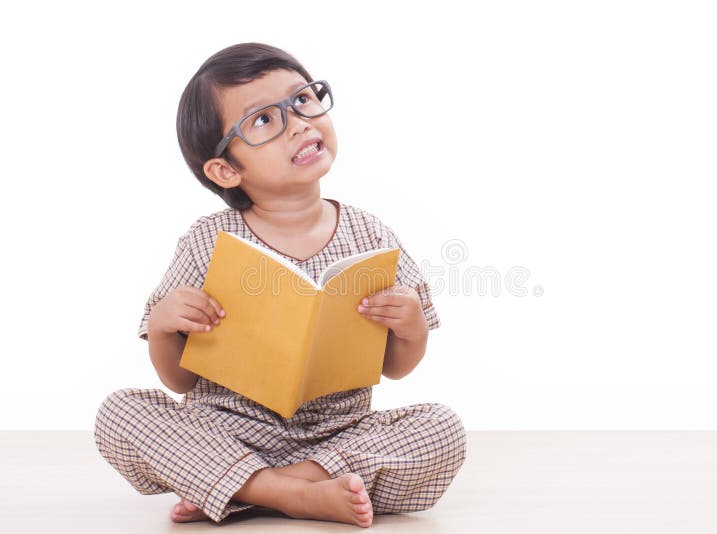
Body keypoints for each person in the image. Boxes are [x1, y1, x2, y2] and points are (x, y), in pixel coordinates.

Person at [93, 42, 467, 528]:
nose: (299, 122)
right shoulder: (209, 240)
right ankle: (294, 493)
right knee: (120, 414)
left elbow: (396, 368)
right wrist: (165, 327)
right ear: (226, 170)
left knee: (441, 429)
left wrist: (412, 329)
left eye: (302, 100)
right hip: (225, 432)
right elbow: (178, 382)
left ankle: (256, 489)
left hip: (338, 435)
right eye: (265, 121)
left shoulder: (369, 233)